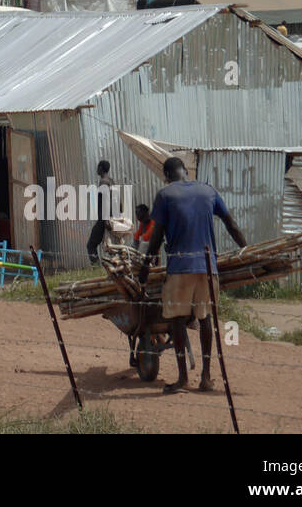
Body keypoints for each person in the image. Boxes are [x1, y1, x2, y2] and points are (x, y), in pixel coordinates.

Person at [140, 156, 247, 395]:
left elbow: (156, 237)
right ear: (186, 171)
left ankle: (182, 378)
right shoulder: (208, 190)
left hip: (180, 268)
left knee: (177, 320)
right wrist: (247, 251)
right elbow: (231, 224)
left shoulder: (165, 195)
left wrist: (146, 265)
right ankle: (206, 377)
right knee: (205, 318)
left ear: (167, 175)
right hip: (208, 268)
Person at [86, 160, 114, 264]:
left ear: (101, 168)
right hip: (112, 217)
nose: (97, 169)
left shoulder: (103, 182)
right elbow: (119, 201)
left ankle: (96, 267)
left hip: (104, 219)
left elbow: (106, 199)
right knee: (111, 245)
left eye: (98, 167)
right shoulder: (111, 181)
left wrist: (106, 219)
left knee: (91, 245)